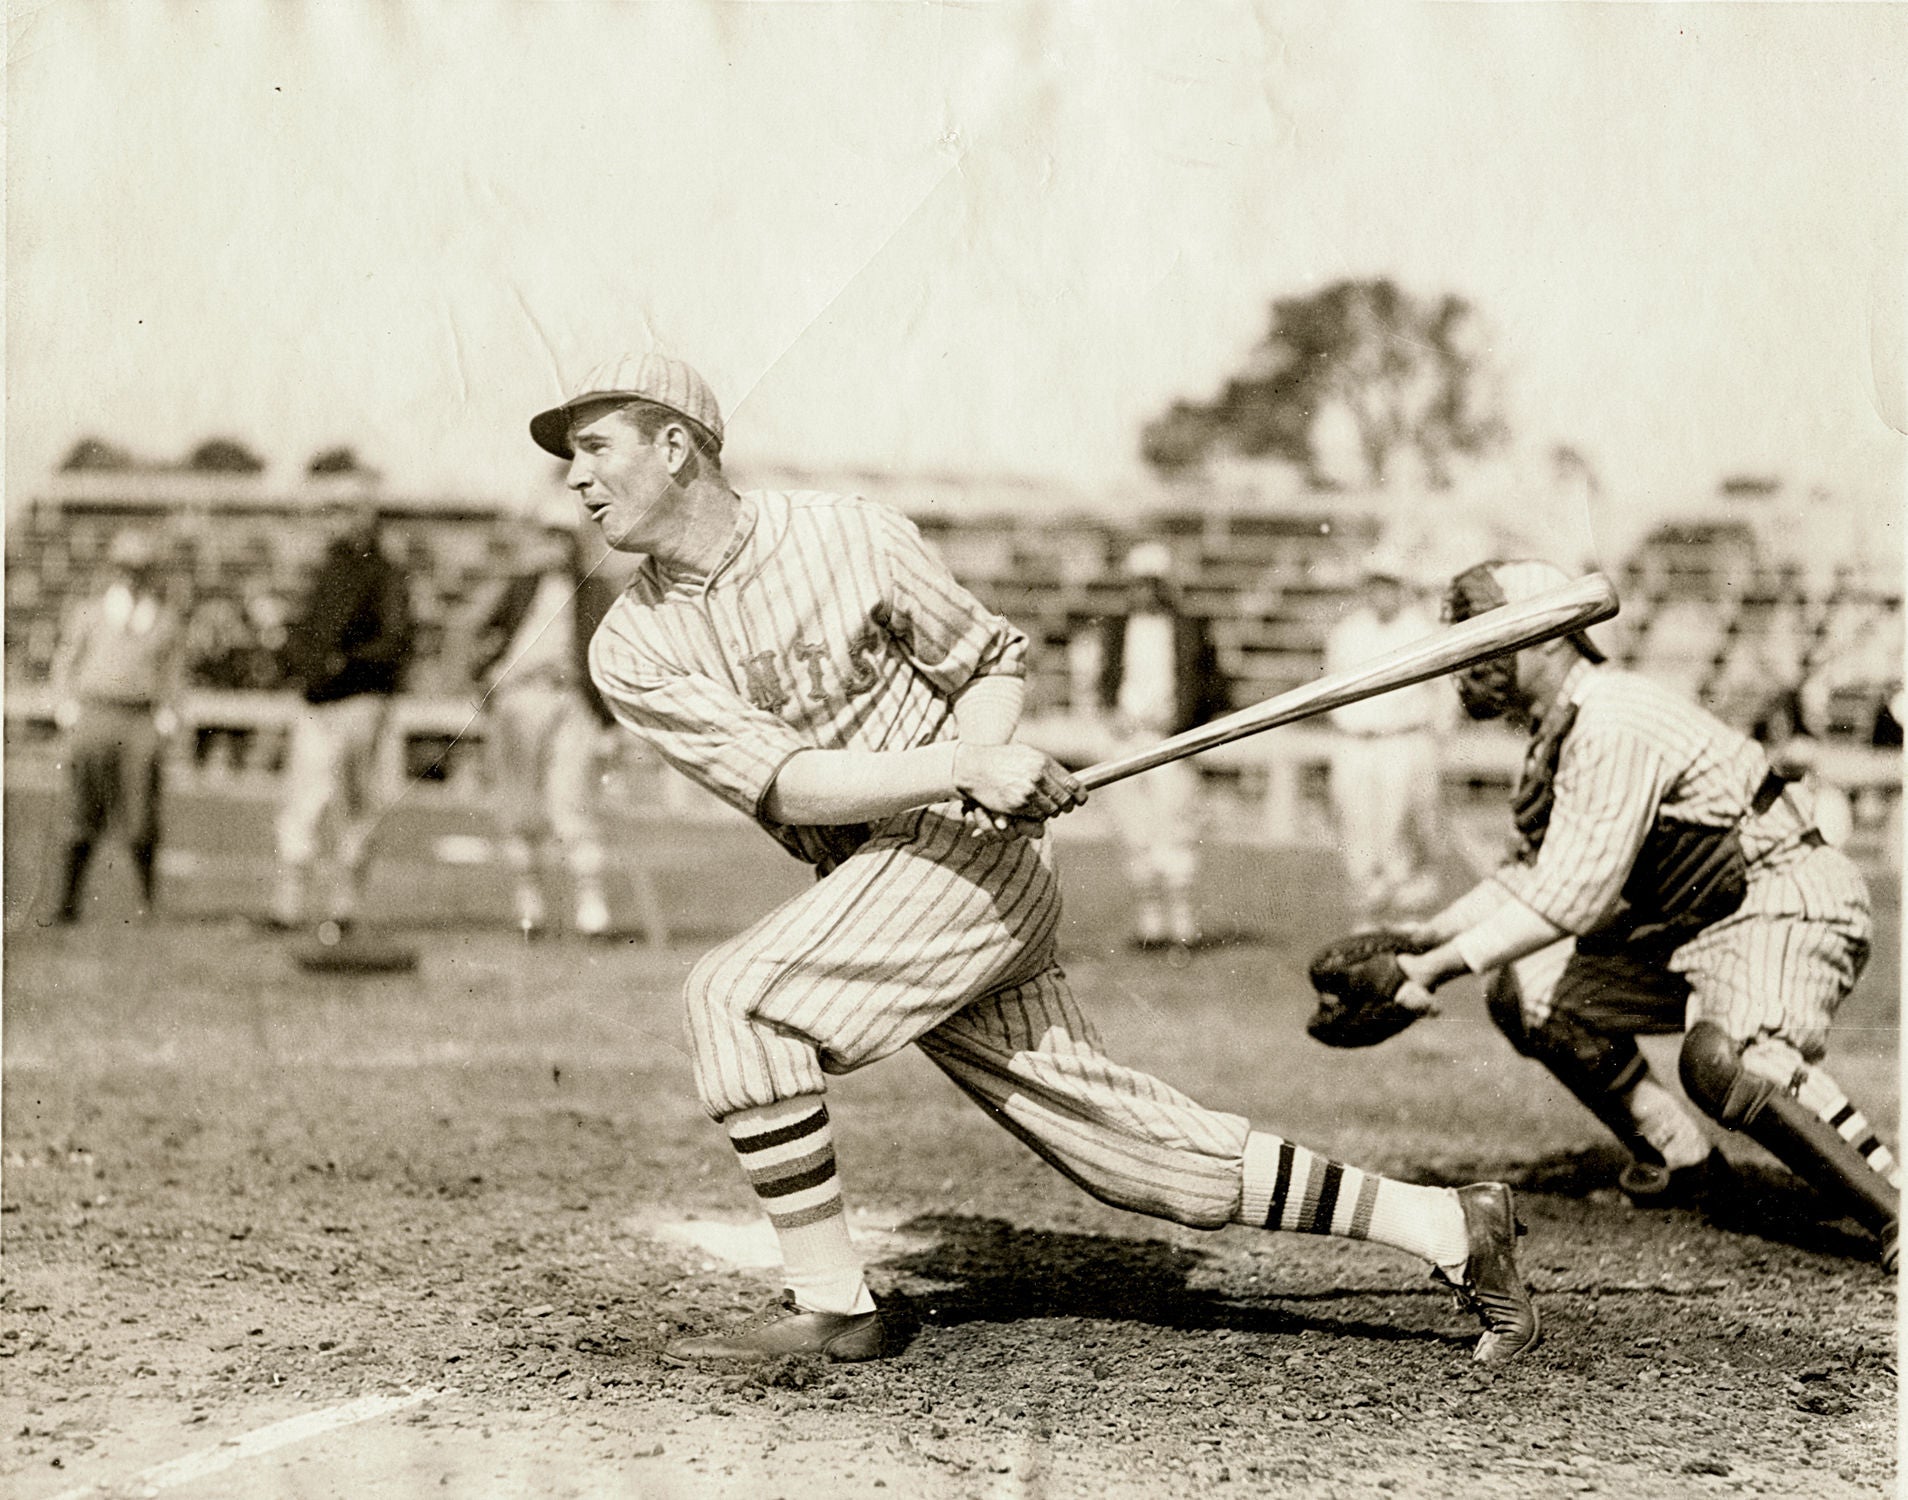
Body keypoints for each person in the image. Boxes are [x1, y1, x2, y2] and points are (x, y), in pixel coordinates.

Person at [527, 351, 1540, 1366]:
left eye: (594, 447)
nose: (575, 477)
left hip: (966, 859)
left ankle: (834, 1304)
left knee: (736, 1000)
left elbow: (986, 661)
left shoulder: (850, 536)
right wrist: (966, 762)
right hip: (879, 873)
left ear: (674, 445)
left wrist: (993, 752)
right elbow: (788, 783)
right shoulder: (631, 644)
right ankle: (1452, 1227)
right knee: (1141, 1162)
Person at [1390, 559, 1897, 1268]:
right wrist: (1413, 940)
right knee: (1529, 992)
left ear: (1547, 640)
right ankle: (1685, 1163)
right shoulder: (1554, 738)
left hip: (1781, 898)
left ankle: (1894, 1205)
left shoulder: (1612, 718)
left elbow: (1571, 898)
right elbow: (1528, 879)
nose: (1463, 662)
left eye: (1485, 640)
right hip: (1693, 927)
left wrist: (1431, 968)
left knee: (1727, 1060)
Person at [465, 501, 619, 938]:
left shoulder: (595, 589)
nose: (555, 546)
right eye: (548, 536)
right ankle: (530, 907)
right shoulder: (520, 587)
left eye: (563, 537)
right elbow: (482, 635)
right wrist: (487, 673)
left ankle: (592, 909)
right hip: (517, 703)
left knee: (572, 802)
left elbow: (607, 656)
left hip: (570, 704)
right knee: (519, 809)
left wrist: (608, 720)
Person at [269, 500, 415, 932]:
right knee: (305, 800)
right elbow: (303, 629)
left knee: (354, 804)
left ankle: (343, 906)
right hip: (319, 700)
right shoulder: (326, 570)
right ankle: (289, 904)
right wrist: (308, 663)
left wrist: (343, 663)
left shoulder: (386, 575)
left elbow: (395, 641)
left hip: (360, 700)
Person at [1091, 540, 1230, 948]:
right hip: (1127, 738)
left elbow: (1214, 688)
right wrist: (1113, 713)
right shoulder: (1117, 628)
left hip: (1171, 739)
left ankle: (1182, 920)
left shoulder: (1189, 629)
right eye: (1138, 583)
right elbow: (1107, 682)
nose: (1144, 592)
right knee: (1134, 827)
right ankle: (1149, 921)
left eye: (1152, 584)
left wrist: (1182, 719)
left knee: (1177, 824)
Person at [46, 528, 185, 923]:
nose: (132, 576)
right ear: (114, 569)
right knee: (80, 809)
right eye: (126, 568)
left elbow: (174, 675)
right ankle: (68, 902)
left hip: (140, 719)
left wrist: (168, 716)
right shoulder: (90, 612)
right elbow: (66, 662)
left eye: (141, 569)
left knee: (141, 816)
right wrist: (66, 706)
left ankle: (147, 900)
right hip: (94, 713)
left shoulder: (164, 619)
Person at [1322, 550, 1446, 926]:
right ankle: (1366, 920)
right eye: (1374, 584)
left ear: (1401, 587)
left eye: (1388, 584)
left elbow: (1441, 696)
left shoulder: (1421, 630)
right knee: (1357, 828)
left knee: (1404, 829)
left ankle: (1409, 924)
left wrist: (1436, 742)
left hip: (1404, 741)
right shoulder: (1348, 632)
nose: (1381, 593)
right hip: (1355, 741)